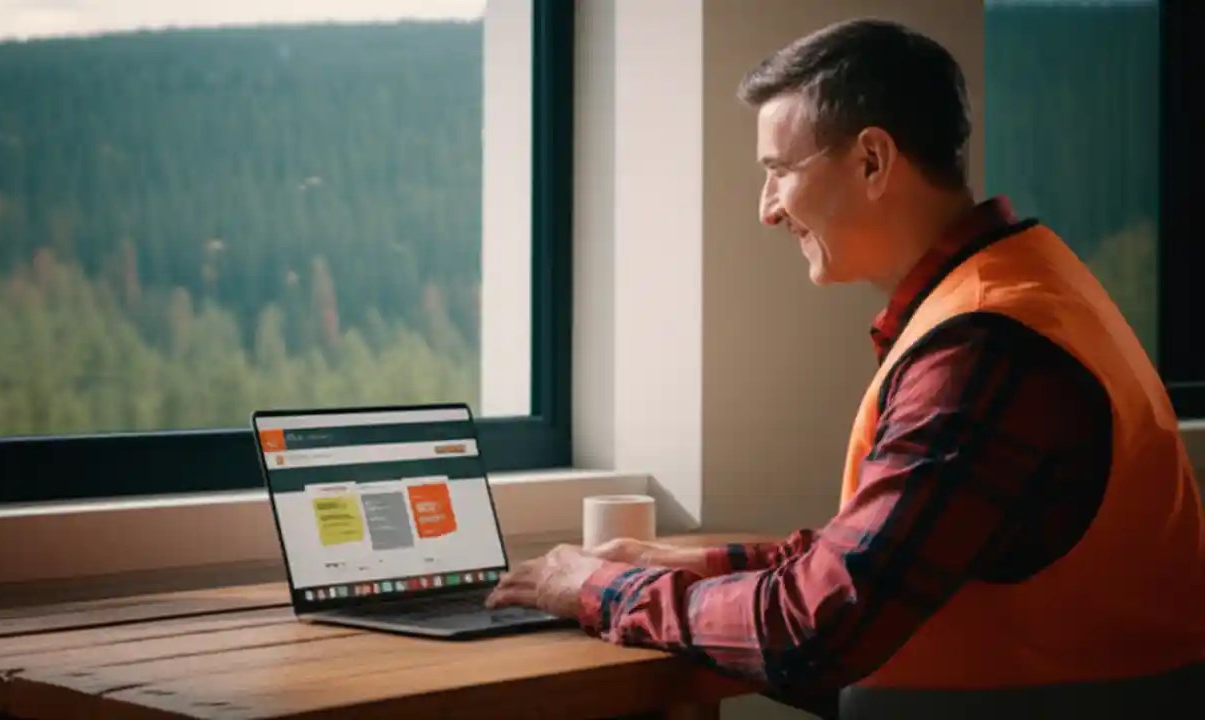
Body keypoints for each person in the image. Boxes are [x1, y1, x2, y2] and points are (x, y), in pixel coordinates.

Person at [487, 17, 1205, 720]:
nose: (768, 210)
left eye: (778, 171)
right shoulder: (1018, 291)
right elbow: (872, 557)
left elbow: (810, 632)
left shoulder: (982, 346)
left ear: (872, 161)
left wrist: (601, 591)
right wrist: (690, 565)